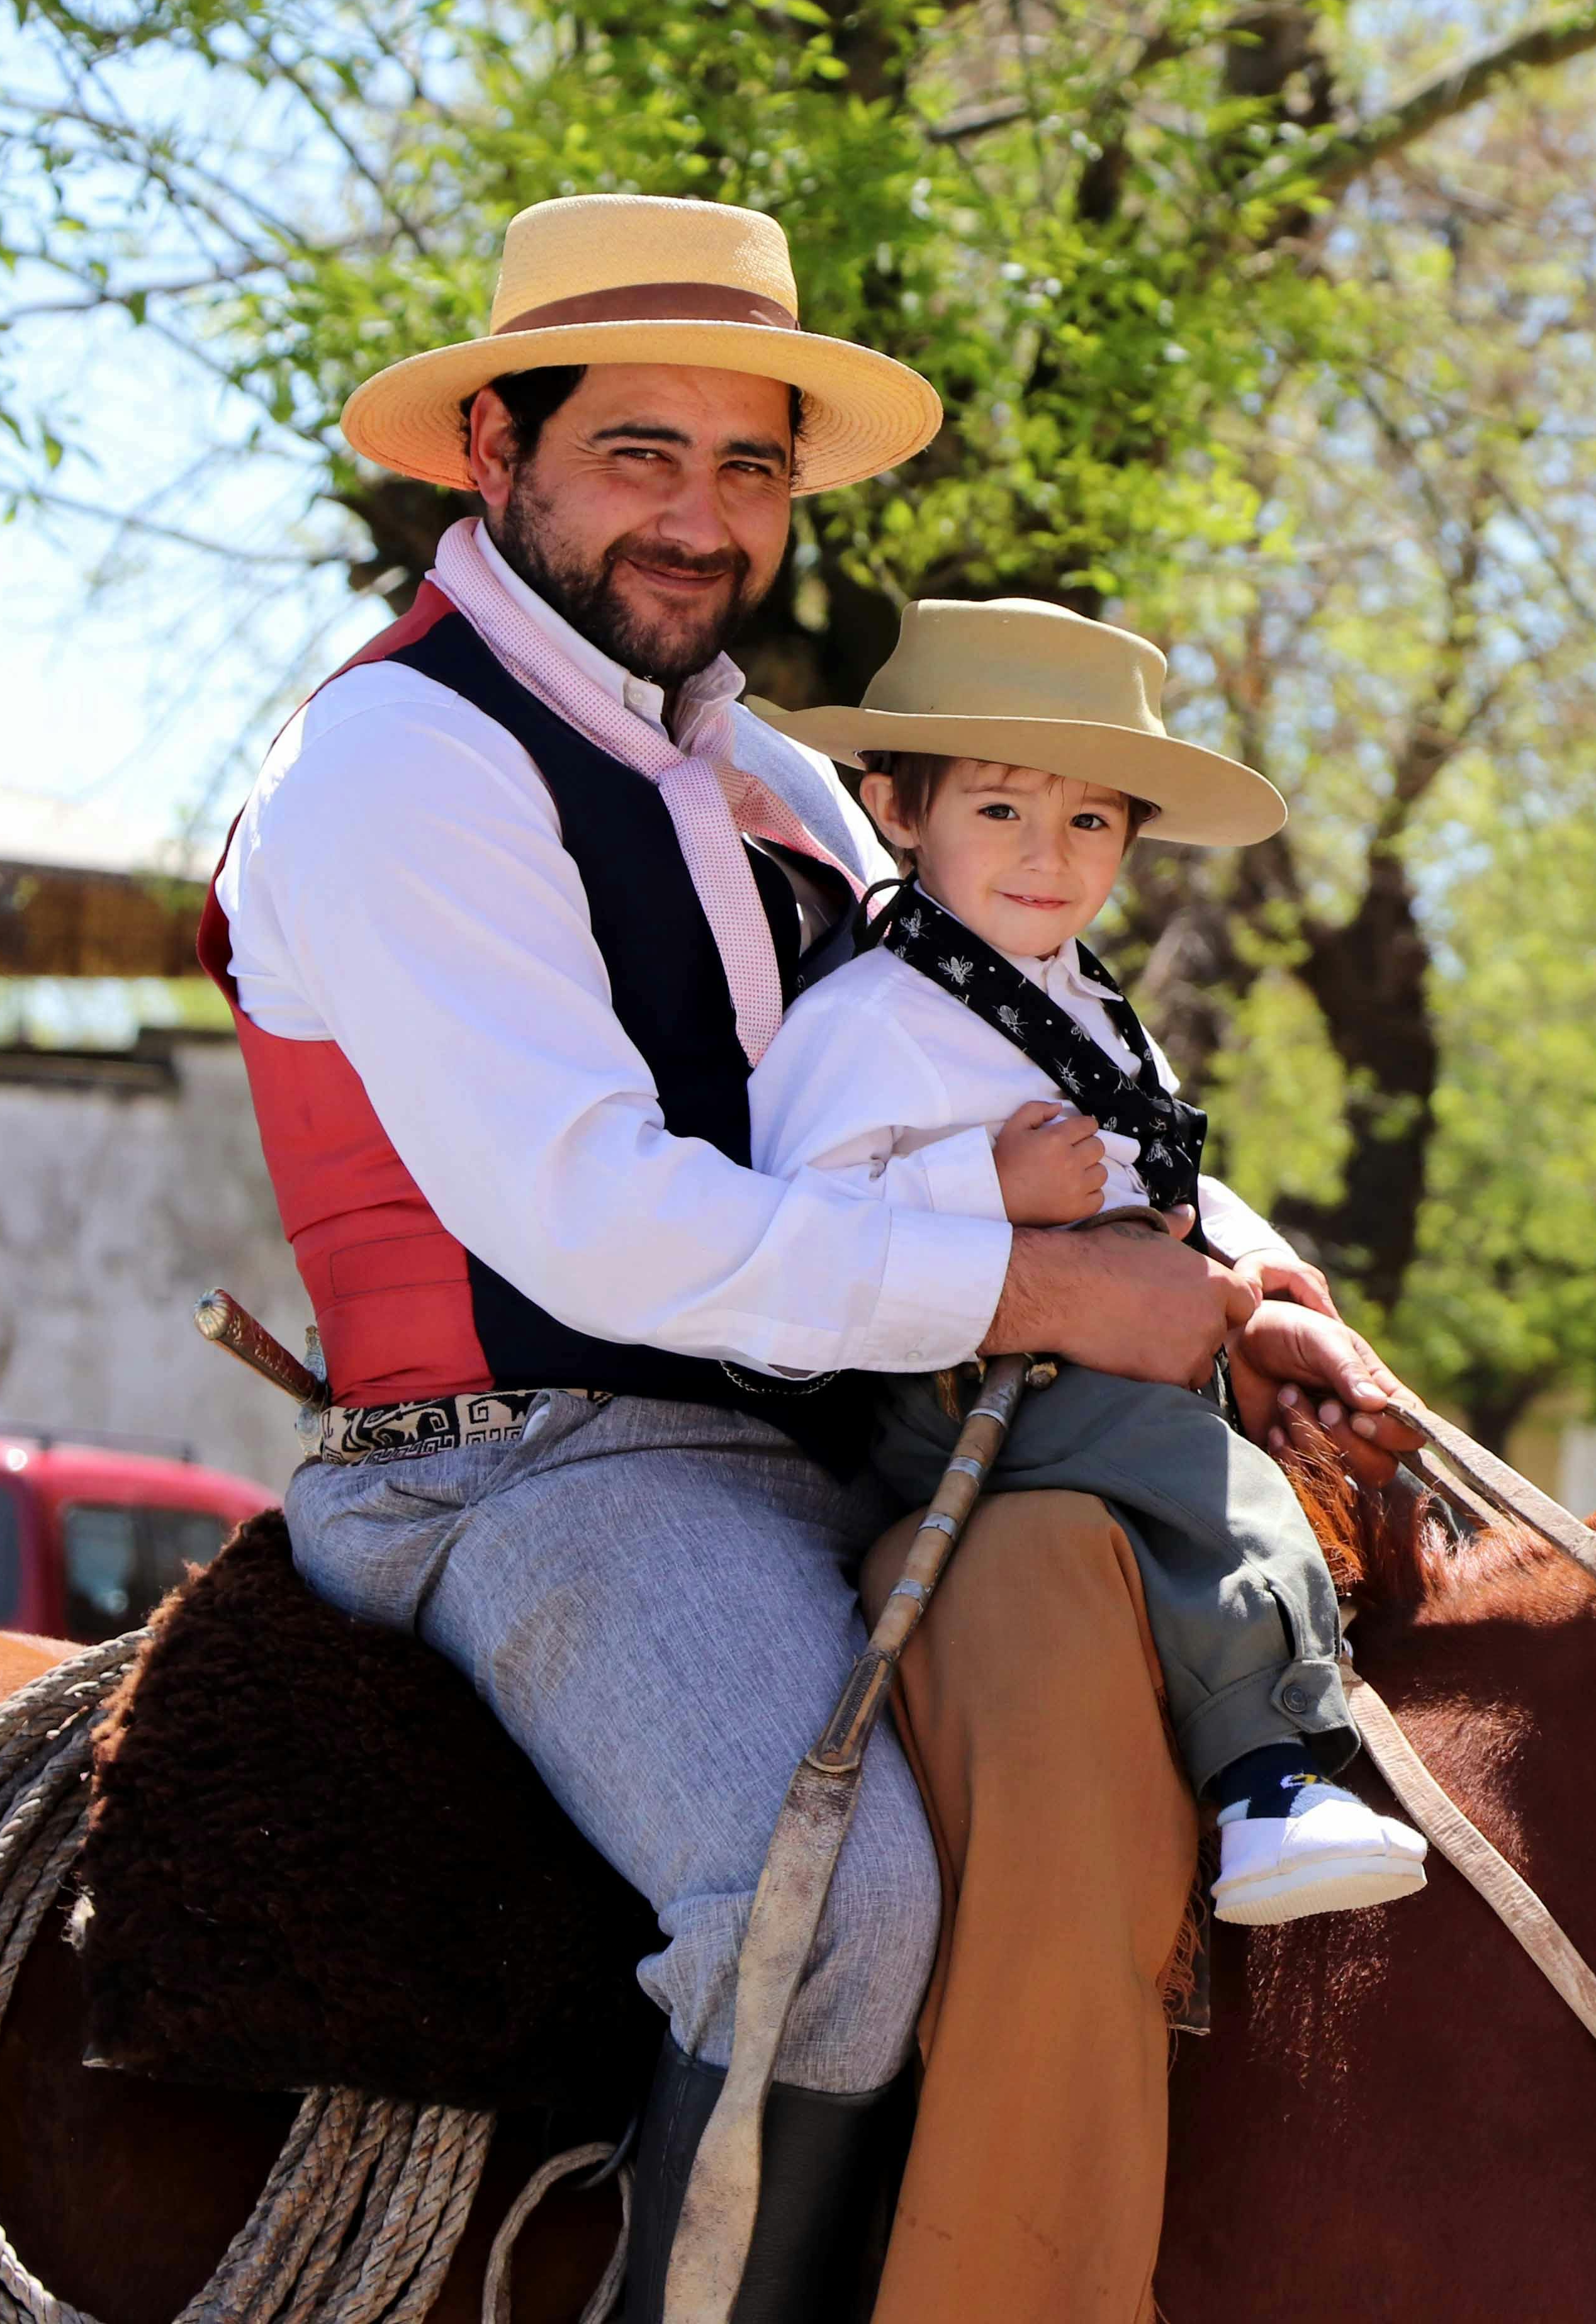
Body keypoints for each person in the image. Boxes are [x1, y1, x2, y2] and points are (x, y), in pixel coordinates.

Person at [198, 191, 1398, 2320]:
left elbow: (1016, 1064)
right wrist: (1051, 1298)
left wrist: (1269, 1291)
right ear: (499, 452)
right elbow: (602, 1223)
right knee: (824, 1918)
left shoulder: (769, 779)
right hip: (534, 1459)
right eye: (636, 454)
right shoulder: (398, 765)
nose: (701, 515)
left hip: (844, 1429)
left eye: (748, 464)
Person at [744, 600, 1430, 1924]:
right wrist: (985, 1187)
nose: (1048, 856)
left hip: (1104, 1353)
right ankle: (1269, 1773)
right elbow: (795, 1227)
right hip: (959, 1380)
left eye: (1091, 821)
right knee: (1191, 1473)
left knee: (1343, 1460)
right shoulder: (866, 1019)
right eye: (1001, 811)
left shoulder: (1091, 1005)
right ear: (898, 808)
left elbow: (1167, 1171)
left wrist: (1253, 1273)